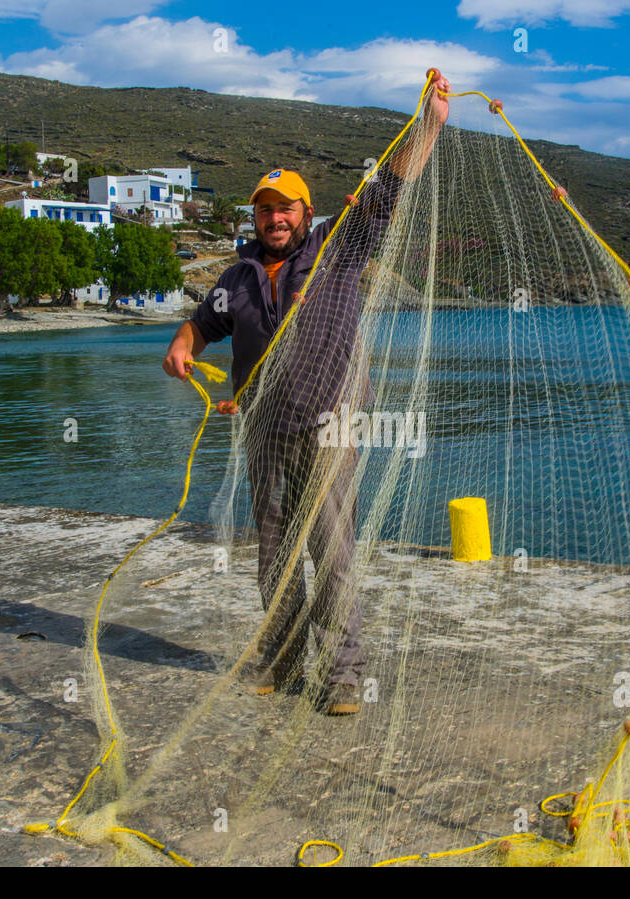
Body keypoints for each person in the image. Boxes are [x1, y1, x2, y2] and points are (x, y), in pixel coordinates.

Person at [162, 70, 451, 715]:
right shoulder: (236, 277)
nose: (275, 218)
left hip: (330, 425)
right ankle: (284, 658)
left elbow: (388, 189)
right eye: (266, 208)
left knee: (331, 547)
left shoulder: (335, 249)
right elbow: (204, 324)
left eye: (286, 207)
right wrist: (183, 345)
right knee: (274, 550)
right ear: (255, 216)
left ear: (305, 212)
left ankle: (344, 674)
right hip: (264, 429)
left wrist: (429, 124)